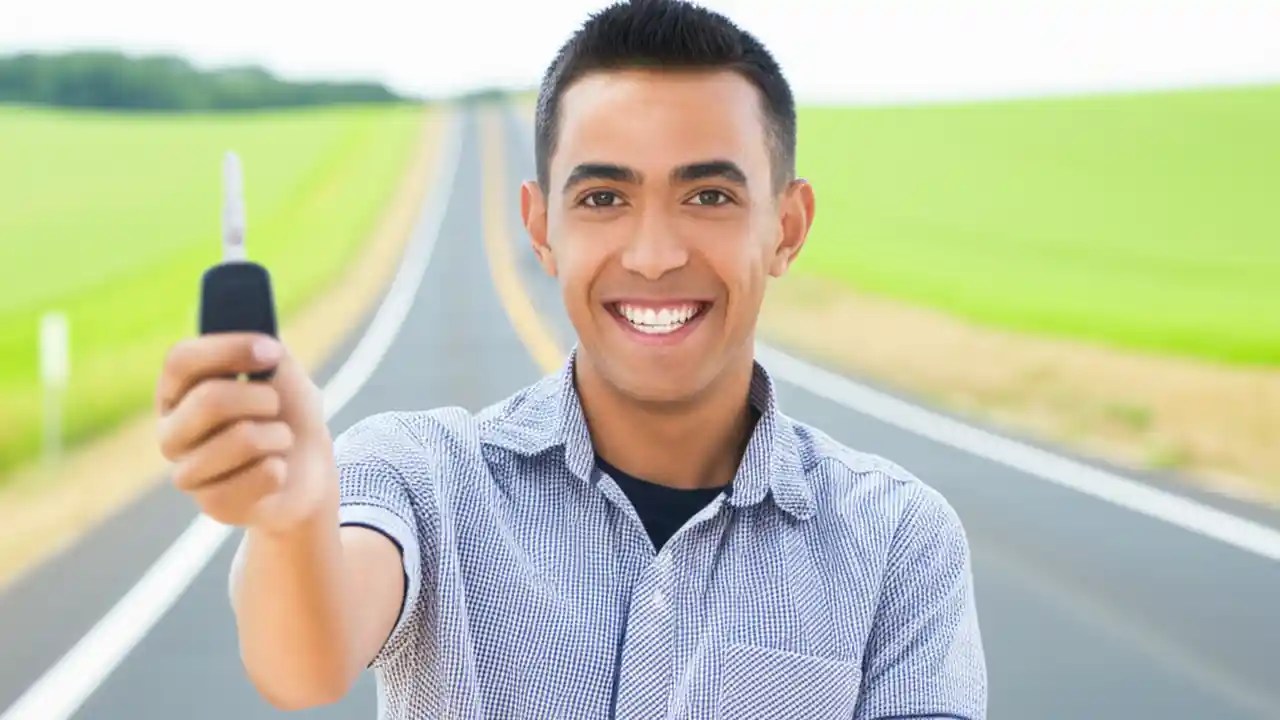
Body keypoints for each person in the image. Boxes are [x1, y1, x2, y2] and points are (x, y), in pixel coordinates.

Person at [153, 0, 987, 717]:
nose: (654, 254)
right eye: (603, 199)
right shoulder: (421, 476)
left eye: (709, 196)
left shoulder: (897, 542)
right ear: (542, 227)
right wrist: (295, 518)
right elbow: (304, 663)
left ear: (788, 227)